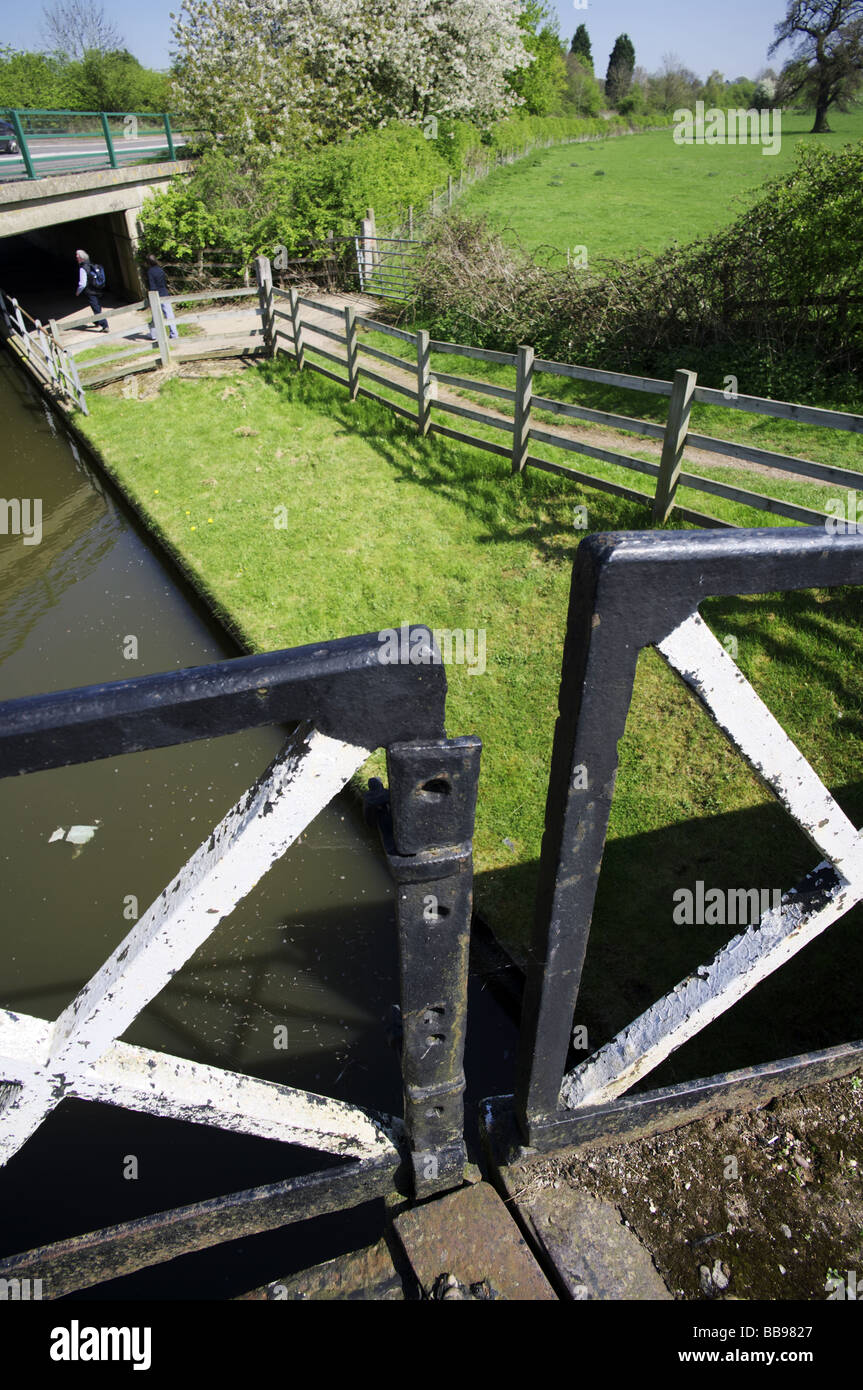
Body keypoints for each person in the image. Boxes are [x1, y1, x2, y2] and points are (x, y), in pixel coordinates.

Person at [145, 254, 179, 341]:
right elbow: (164, 282)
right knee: (169, 314)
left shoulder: (150, 271)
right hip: (164, 293)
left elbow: (152, 285)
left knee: (155, 316)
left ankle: (154, 334)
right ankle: (174, 333)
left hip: (156, 295)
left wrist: (150, 296)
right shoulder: (161, 270)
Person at [75, 250, 109, 331]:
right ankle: (97, 321)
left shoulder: (83, 268)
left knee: (96, 308)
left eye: (77, 256)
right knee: (97, 306)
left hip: (90, 291)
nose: (76, 258)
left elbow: (82, 284)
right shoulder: (92, 264)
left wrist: (78, 292)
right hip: (98, 289)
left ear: (80, 258)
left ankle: (105, 326)